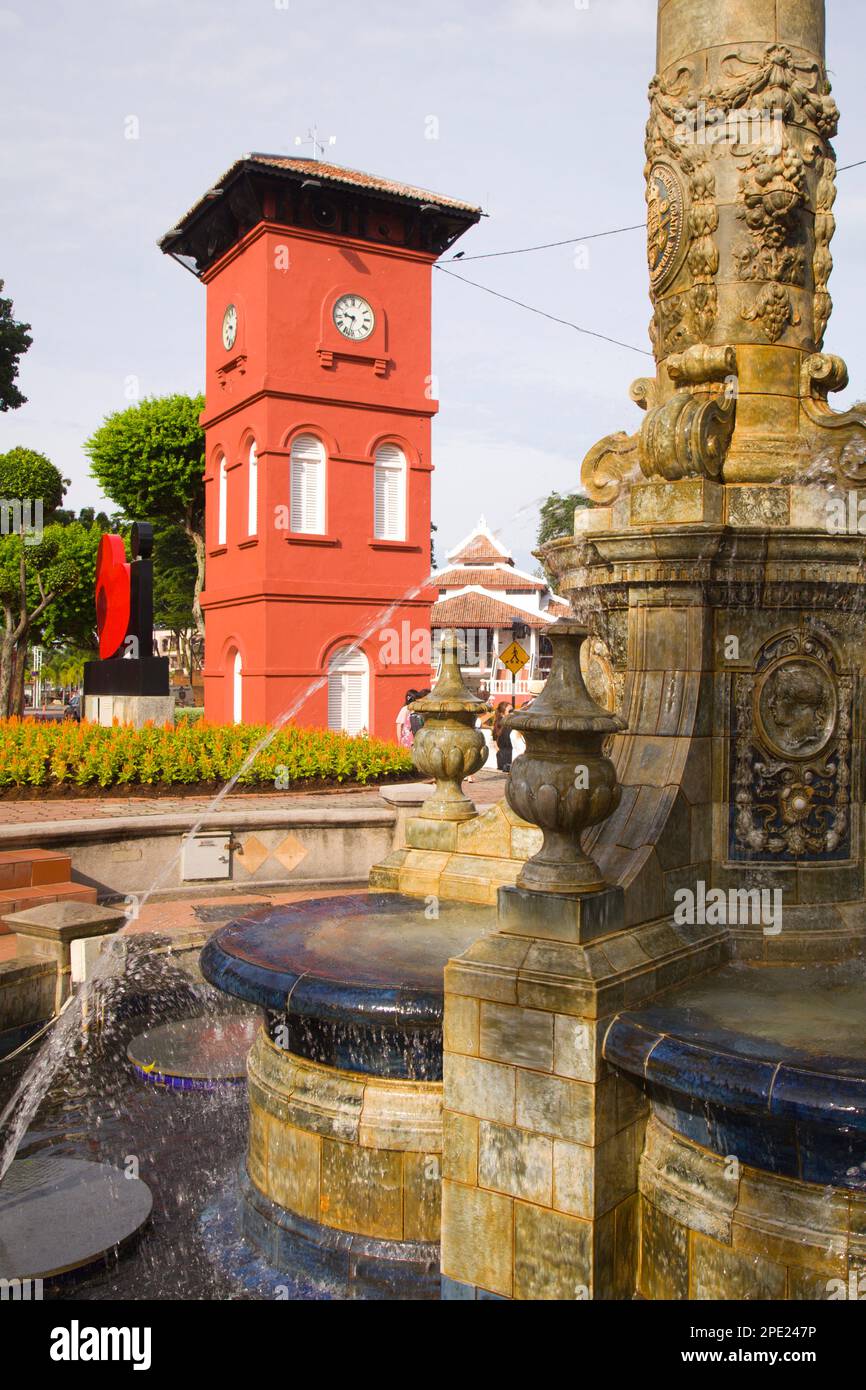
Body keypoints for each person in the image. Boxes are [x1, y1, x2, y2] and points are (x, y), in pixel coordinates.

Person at [492, 701, 513, 772]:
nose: (513, 713)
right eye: (510, 711)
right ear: (502, 714)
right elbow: (494, 740)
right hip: (504, 759)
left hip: (510, 757)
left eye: (513, 710)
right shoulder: (499, 725)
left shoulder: (512, 724)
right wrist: (500, 753)